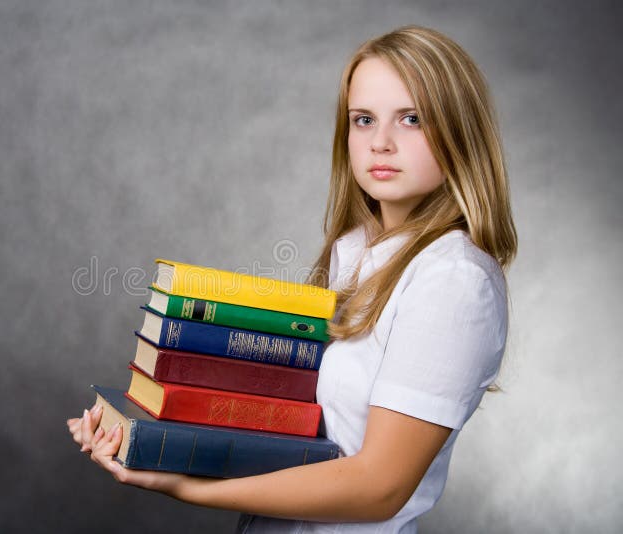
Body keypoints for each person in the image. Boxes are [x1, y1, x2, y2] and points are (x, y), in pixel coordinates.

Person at [67, 25, 517, 533]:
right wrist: (146, 439)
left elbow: (379, 487)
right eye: (363, 120)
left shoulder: (454, 279)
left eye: (412, 119)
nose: (381, 143)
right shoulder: (357, 251)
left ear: (460, 130)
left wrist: (184, 486)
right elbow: (291, 423)